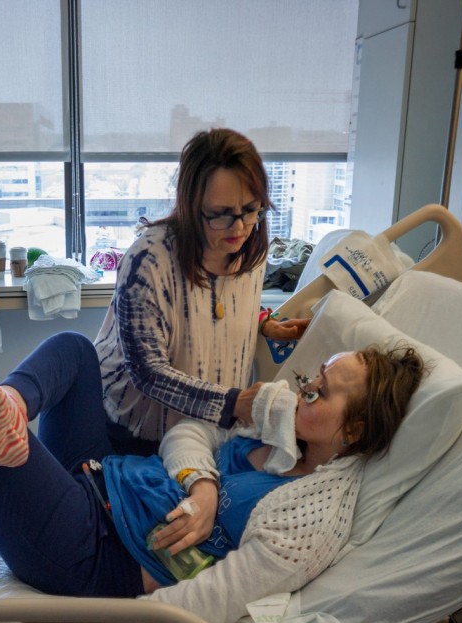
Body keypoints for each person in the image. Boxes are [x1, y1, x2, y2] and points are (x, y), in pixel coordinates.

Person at [0, 332, 425, 623]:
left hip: (95, 553)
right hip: (101, 479)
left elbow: (209, 600)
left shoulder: (310, 519)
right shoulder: (284, 431)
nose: (305, 390)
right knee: (74, 350)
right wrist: (202, 487)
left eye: (321, 393)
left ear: (354, 430)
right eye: (311, 379)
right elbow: (188, 433)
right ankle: (13, 403)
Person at [94, 128, 310, 457]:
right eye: (221, 214)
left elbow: (216, 304)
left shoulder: (252, 250)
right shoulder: (147, 260)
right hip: (138, 432)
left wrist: (263, 321)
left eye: (251, 209)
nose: (239, 227)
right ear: (192, 206)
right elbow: (148, 372)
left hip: (209, 432)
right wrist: (234, 402)